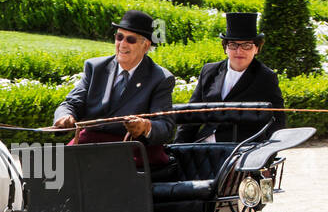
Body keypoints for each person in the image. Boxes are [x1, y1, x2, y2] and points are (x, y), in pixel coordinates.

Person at [53, 9, 176, 165]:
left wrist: (145, 126)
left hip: (131, 149)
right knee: (49, 172)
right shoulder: (95, 67)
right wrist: (64, 116)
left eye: (130, 39)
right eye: (119, 37)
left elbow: (165, 127)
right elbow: (71, 104)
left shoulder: (161, 79)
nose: (122, 44)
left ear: (146, 46)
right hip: (89, 144)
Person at [176, 11, 286, 144]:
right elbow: (191, 116)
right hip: (204, 145)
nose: (239, 51)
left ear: (256, 48)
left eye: (246, 45)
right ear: (225, 47)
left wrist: (265, 153)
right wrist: (177, 148)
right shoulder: (209, 71)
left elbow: (278, 121)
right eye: (233, 45)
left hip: (241, 150)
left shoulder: (266, 77)